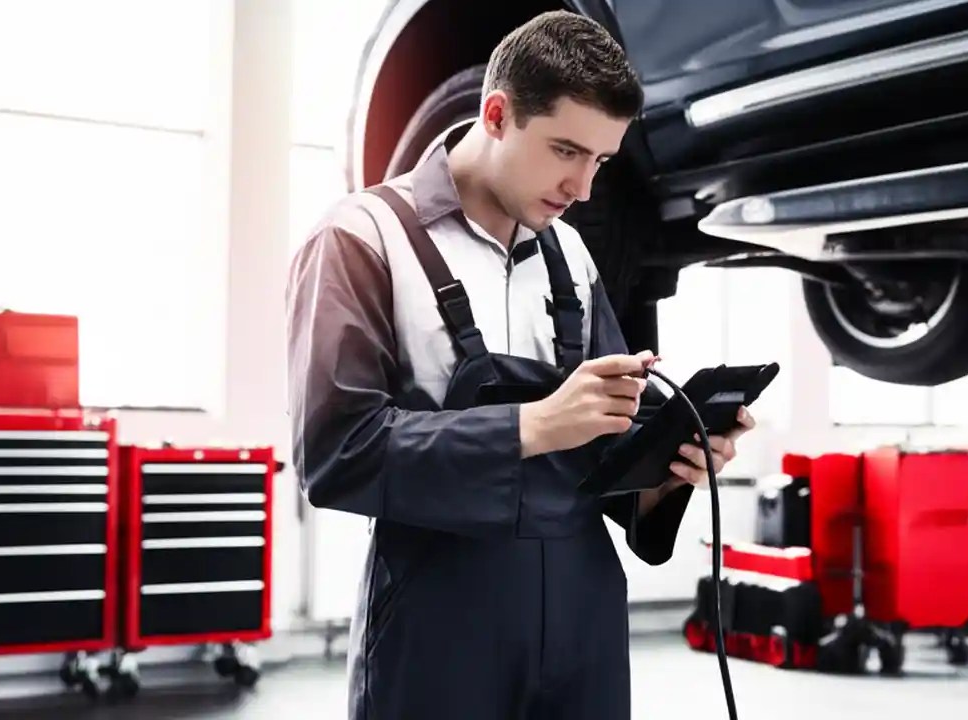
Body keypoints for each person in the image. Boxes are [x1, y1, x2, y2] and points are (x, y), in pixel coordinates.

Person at [286, 10, 755, 719]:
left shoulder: (572, 257)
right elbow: (336, 454)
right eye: (565, 150)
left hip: (583, 612)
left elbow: (599, 458)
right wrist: (529, 428)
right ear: (497, 113)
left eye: (600, 161)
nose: (583, 188)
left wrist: (667, 473)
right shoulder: (362, 239)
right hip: (440, 616)